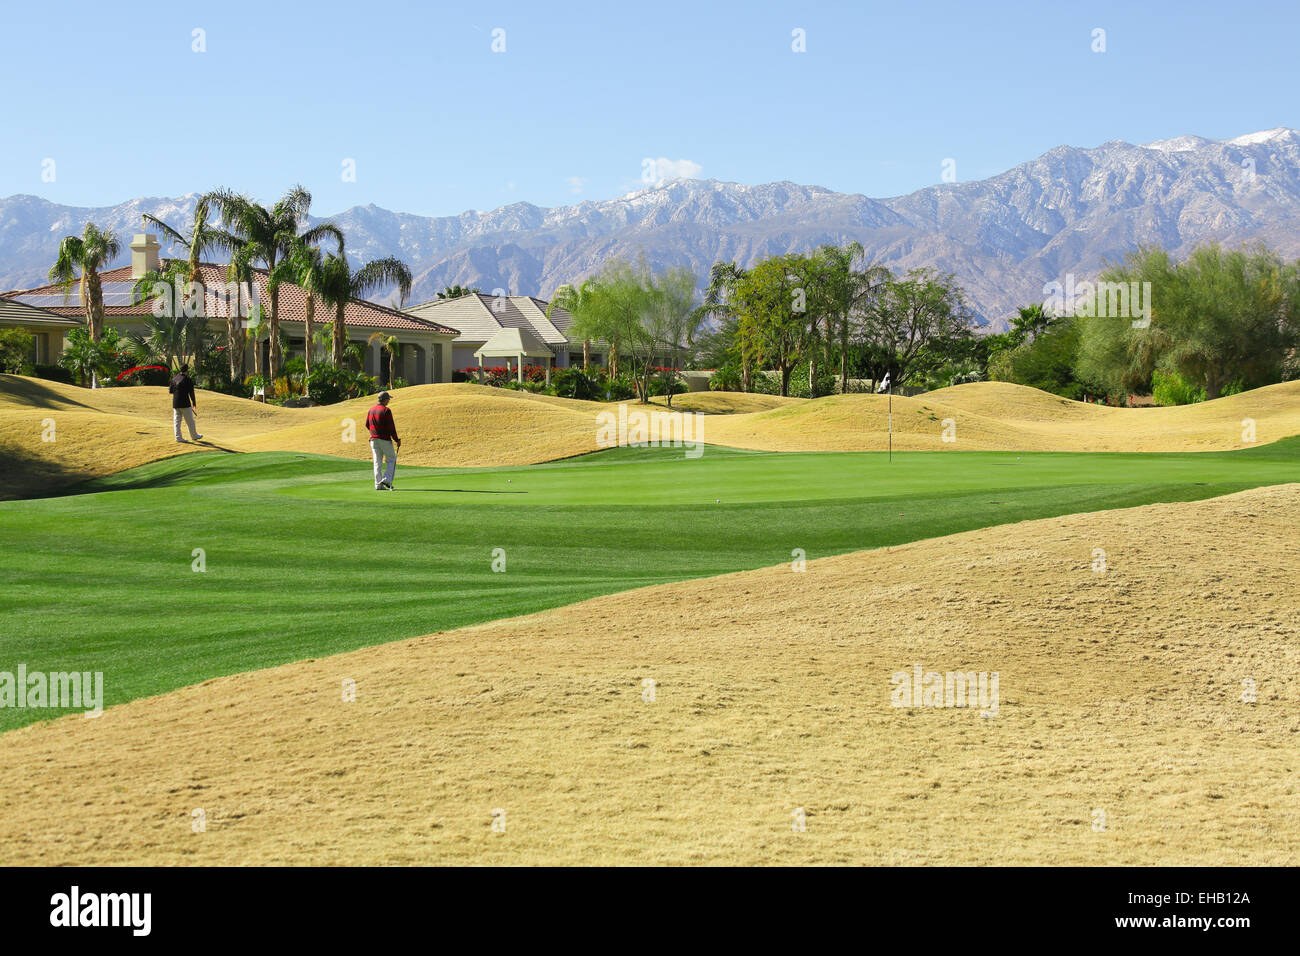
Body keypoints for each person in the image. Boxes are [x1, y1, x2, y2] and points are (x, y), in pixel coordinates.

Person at [365, 391, 401, 490]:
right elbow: (391, 427)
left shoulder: (371, 410)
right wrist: (396, 439)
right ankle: (386, 479)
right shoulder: (386, 410)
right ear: (385, 400)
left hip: (373, 440)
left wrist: (374, 432)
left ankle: (378, 484)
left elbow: (367, 424)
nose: (389, 401)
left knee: (377, 462)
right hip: (384, 439)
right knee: (391, 459)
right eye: (388, 399)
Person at [169, 364, 203, 443]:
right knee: (190, 421)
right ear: (187, 370)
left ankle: (178, 437)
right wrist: (194, 402)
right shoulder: (187, 379)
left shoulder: (174, 378)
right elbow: (191, 392)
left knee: (177, 421)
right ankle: (194, 436)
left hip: (175, 403)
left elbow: (171, 391)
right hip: (185, 403)